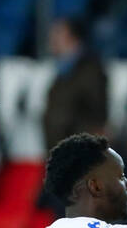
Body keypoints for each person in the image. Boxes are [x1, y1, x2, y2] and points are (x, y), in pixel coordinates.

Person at [42, 17, 108, 151]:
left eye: (58, 33)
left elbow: (95, 114)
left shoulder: (90, 70)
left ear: (73, 37)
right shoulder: (62, 72)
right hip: (63, 153)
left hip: (79, 155)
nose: (52, 39)